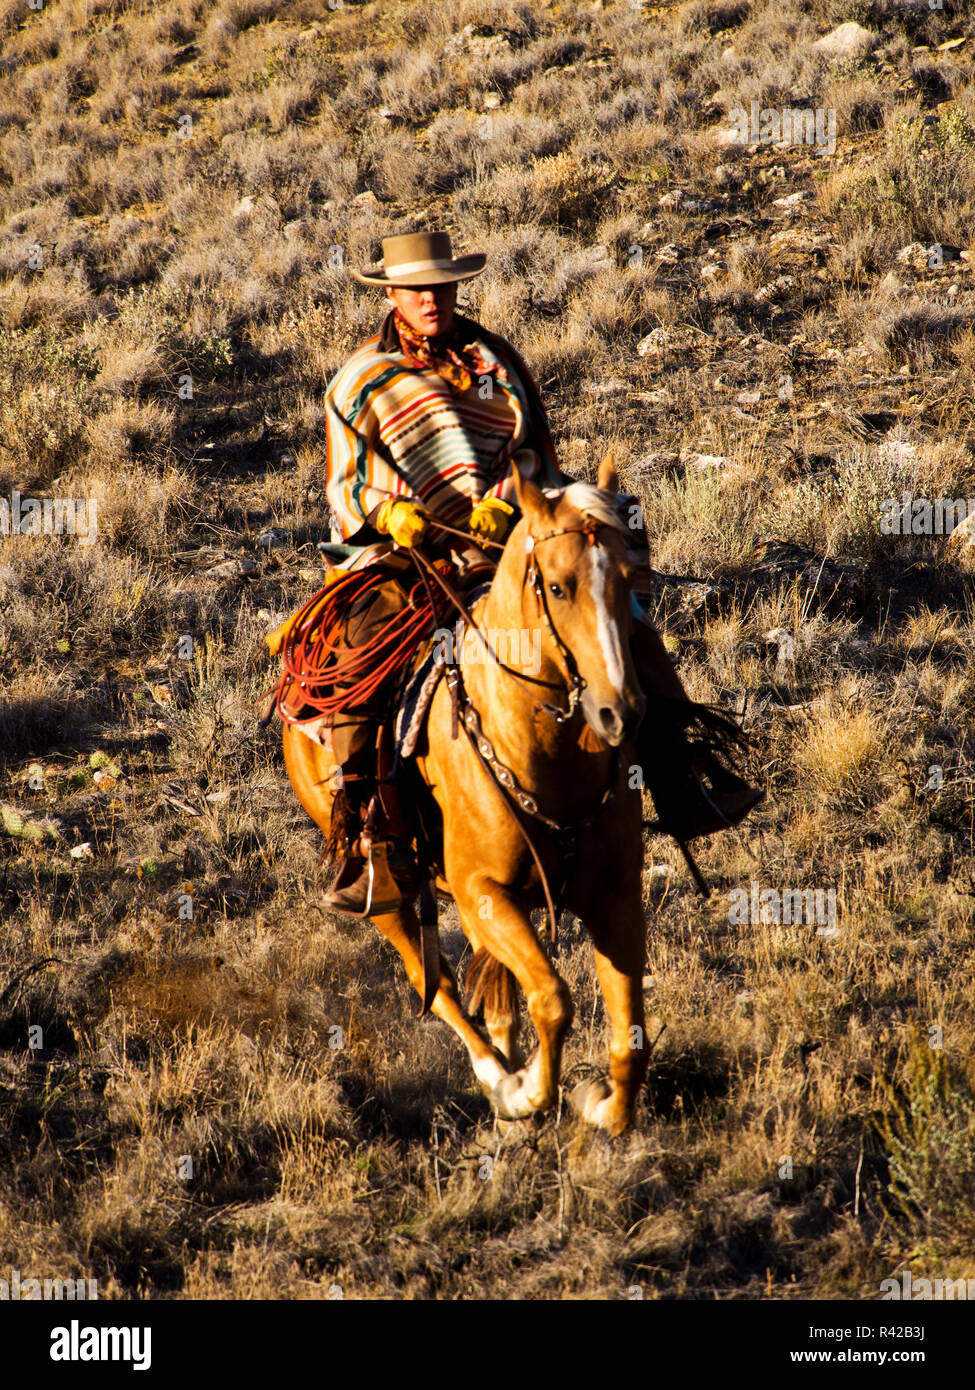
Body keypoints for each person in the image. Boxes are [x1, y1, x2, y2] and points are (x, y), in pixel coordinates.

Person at [319, 231, 762, 914]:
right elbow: (351, 485)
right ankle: (372, 836)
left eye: (440, 287)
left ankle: (681, 776)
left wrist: (515, 508)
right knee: (357, 654)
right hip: (401, 550)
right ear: (393, 297)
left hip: (507, 536)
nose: (431, 300)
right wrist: (397, 515)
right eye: (416, 290)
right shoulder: (360, 379)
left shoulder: (496, 360)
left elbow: (535, 456)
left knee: (618, 618)